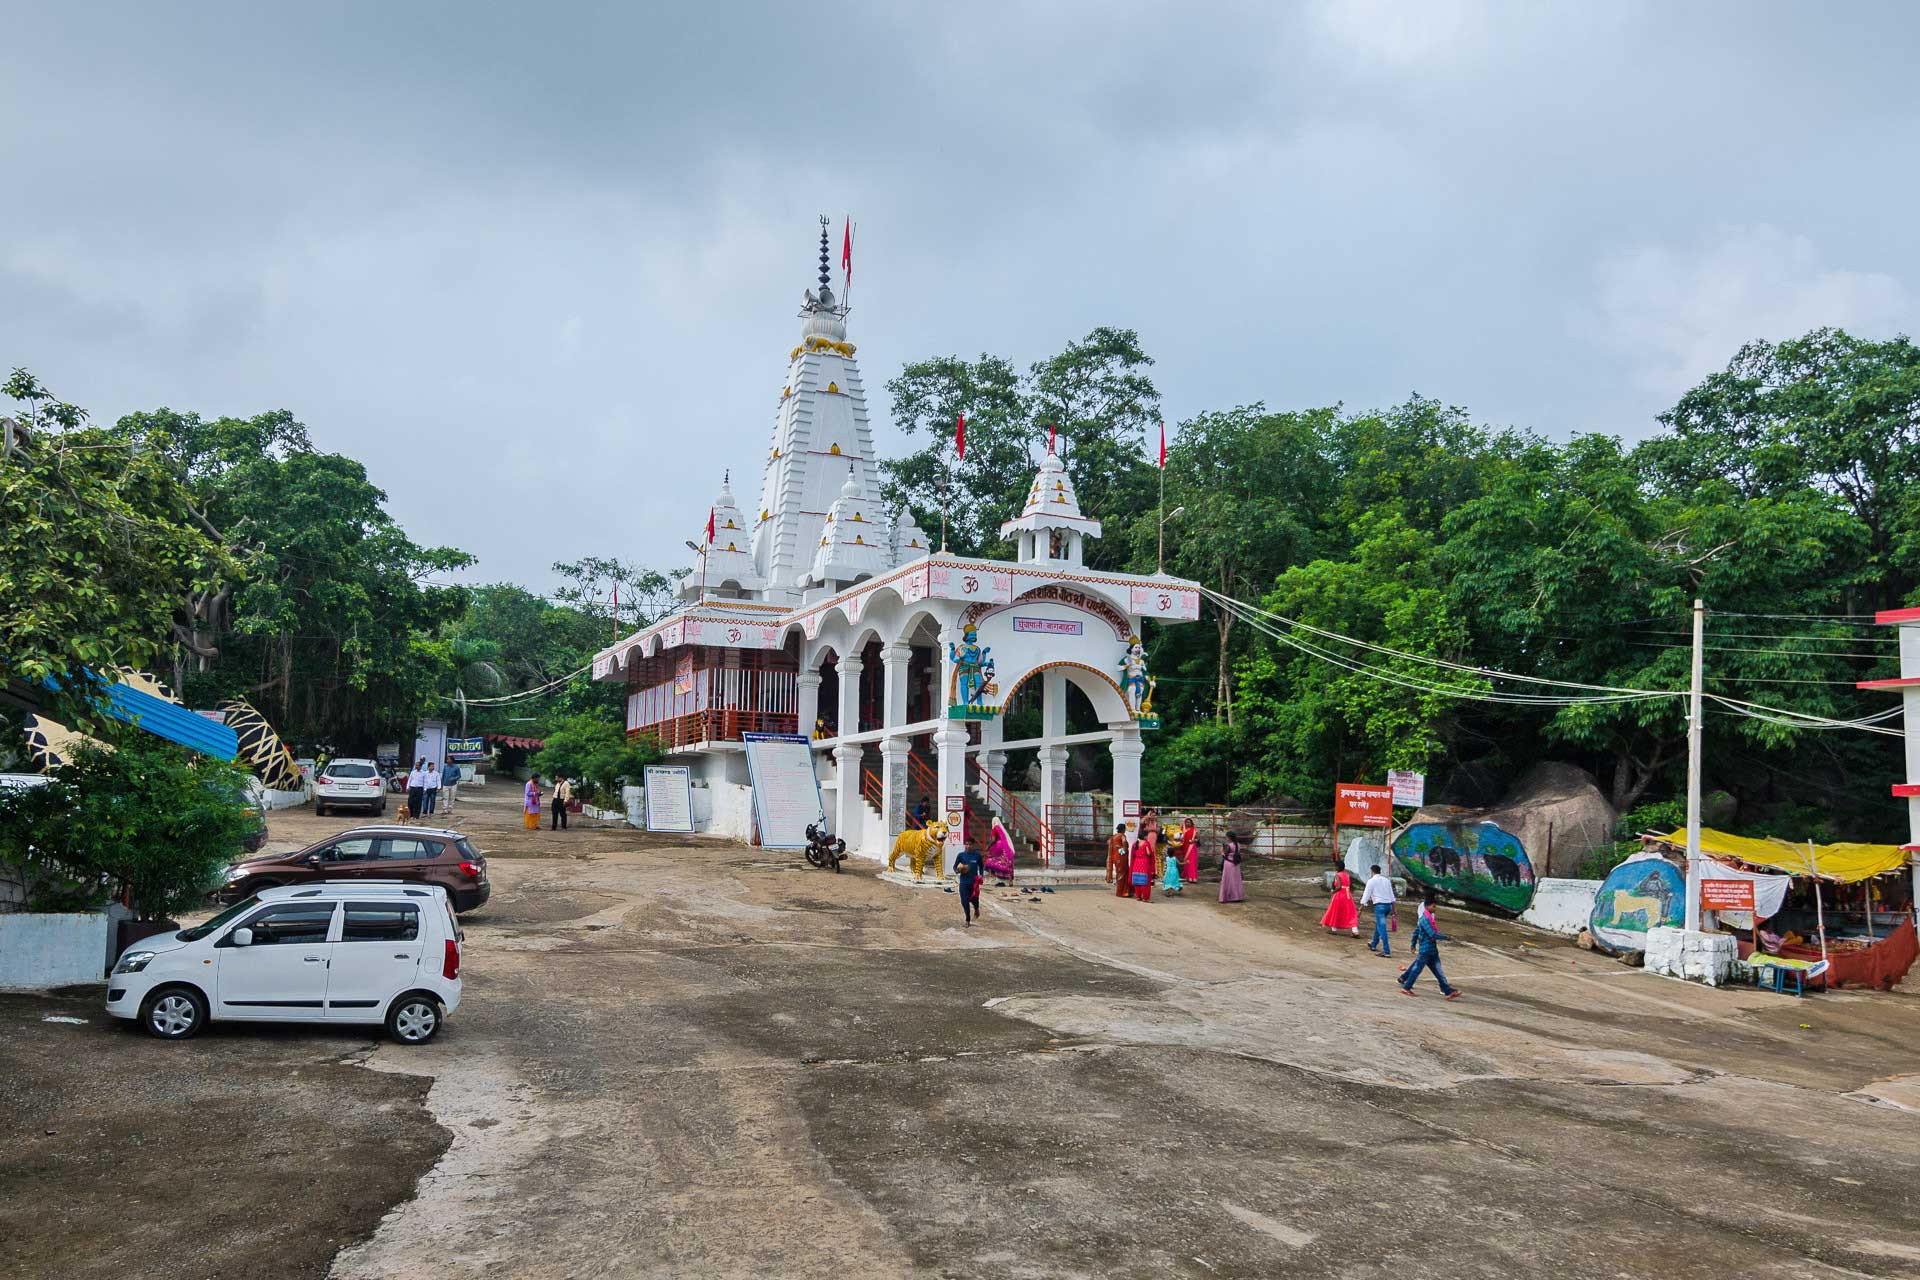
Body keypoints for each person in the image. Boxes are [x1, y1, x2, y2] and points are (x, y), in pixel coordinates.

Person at [1400, 892, 1461, 999]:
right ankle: (1406, 987)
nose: (1435, 908)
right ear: (1427, 906)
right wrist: (1445, 937)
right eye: (1433, 906)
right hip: (1426, 950)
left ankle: (1447, 991)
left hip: (1431, 950)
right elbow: (1432, 934)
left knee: (1438, 972)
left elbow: (1417, 932)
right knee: (1418, 969)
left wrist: (1413, 944)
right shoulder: (1424, 919)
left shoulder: (1428, 918)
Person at [1360, 863, 1396, 957]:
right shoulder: (1386, 881)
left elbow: (1366, 896)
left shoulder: (1371, 881)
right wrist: (1394, 909)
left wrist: (1360, 909)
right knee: (1379, 925)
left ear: (1372, 872)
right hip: (1388, 906)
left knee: (1382, 928)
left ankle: (1386, 950)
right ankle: (1373, 944)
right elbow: (1392, 895)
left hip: (1379, 906)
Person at [1321, 863, 1360, 936]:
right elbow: (1349, 885)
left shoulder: (1337, 875)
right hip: (1348, 895)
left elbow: (1339, 886)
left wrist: (1333, 892)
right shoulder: (1347, 875)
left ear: (1338, 867)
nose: (1335, 867)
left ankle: (1334, 929)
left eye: (1336, 866)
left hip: (1339, 895)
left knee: (1335, 911)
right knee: (1350, 912)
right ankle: (1355, 930)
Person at [954, 844, 985, 926]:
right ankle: (967, 920)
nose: (968, 846)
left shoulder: (977, 856)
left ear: (973, 845)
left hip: (974, 883)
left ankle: (976, 908)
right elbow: (954, 867)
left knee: (974, 900)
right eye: (966, 844)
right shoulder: (961, 855)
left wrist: (981, 875)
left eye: (970, 844)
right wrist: (958, 870)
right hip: (963, 882)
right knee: (964, 901)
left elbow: (981, 866)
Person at [983, 818, 1016, 885]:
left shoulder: (995, 828)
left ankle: (991, 878)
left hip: (998, 847)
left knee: (989, 861)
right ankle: (1010, 880)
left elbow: (993, 840)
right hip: (1005, 848)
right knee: (1006, 863)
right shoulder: (1001, 829)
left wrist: (988, 847)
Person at [1218, 832, 1246, 903]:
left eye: (1226, 837)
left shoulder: (1228, 845)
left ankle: (1227, 897)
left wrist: (1222, 851)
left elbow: (1224, 854)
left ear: (1229, 837)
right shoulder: (1238, 844)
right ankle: (1237, 896)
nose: (1226, 838)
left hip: (1228, 864)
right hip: (1236, 864)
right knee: (1236, 880)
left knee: (1227, 879)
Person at [1107, 823, 1131, 898]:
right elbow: (1125, 847)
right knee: (1123, 874)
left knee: (1119, 873)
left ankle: (1121, 891)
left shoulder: (1113, 837)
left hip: (1115, 857)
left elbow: (1110, 844)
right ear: (1123, 829)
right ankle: (1122, 892)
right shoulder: (1122, 836)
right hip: (1121, 858)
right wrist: (1124, 850)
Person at [1129, 835, 1155, 902]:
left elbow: (1133, 855)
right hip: (1144, 863)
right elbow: (1148, 853)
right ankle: (1145, 898)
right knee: (1144, 881)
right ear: (1145, 836)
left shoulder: (1135, 844)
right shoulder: (1146, 843)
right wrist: (1152, 852)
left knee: (1137, 880)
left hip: (1136, 863)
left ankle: (1138, 896)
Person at [1180, 818, 1200, 884]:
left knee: (1192, 863)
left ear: (1191, 823)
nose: (1188, 823)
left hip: (1192, 847)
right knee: (1187, 862)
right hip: (1184, 848)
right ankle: (1187, 876)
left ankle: (1192, 878)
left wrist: (1193, 840)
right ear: (1184, 823)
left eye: (1189, 822)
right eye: (1187, 822)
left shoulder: (1194, 830)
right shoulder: (1182, 829)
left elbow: (1197, 838)